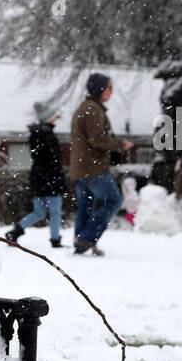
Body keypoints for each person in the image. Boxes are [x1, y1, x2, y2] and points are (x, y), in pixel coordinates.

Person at [70, 72, 133, 255]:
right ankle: (87, 238)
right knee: (114, 201)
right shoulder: (93, 109)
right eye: (109, 88)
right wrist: (120, 144)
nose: (111, 92)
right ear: (99, 89)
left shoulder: (85, 108)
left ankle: (80, 245)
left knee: (85, 207)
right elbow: (97, 139)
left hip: (81, 168)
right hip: (93, 168)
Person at [5, 101, 65, 248]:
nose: (55, 118)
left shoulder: (35, 135)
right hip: (51, 179)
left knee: (39, 212)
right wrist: (56, 176)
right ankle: (55, 239)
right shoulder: (48, 136)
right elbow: (54, 160)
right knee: (55, 211)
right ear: (47, 118)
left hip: (38, 178)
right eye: (53, 116)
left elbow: (38, 158)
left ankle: (16, 231)